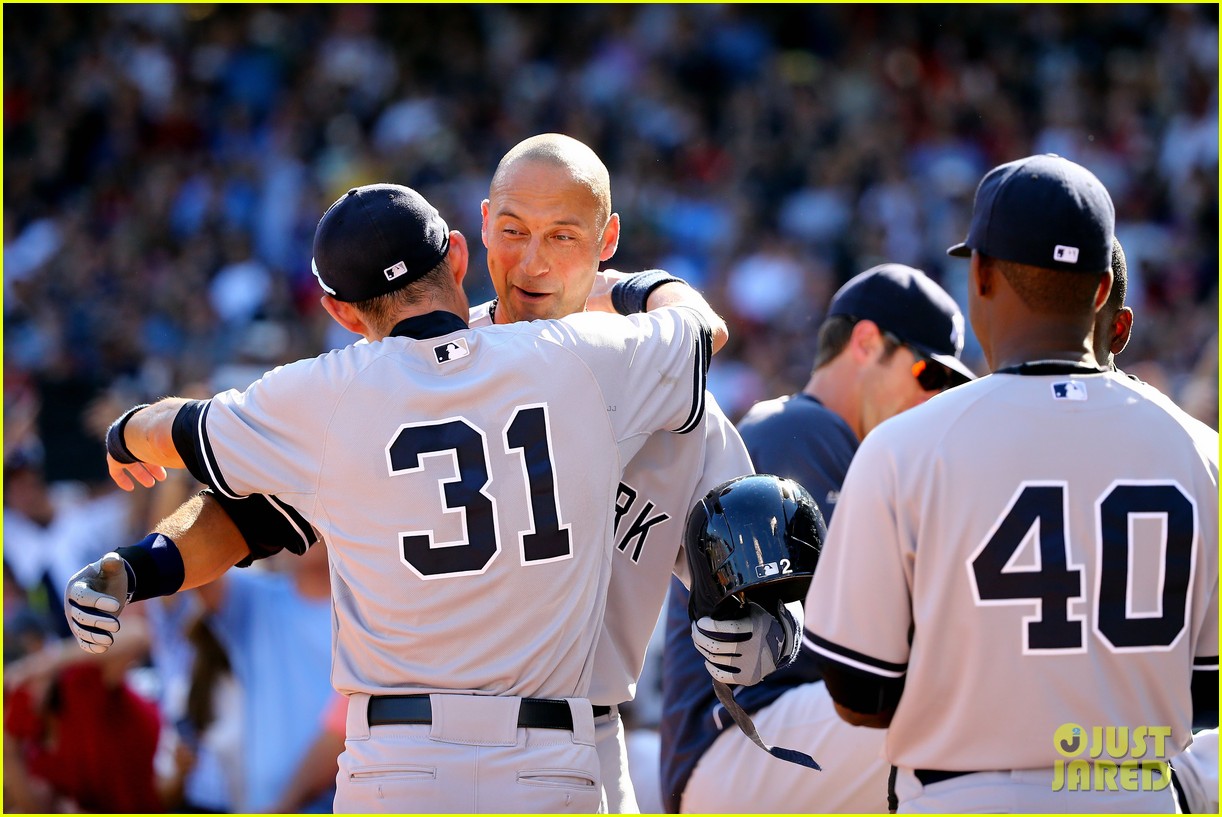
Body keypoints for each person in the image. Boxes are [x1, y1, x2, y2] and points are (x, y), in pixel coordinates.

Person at [65, 181, 727, 813]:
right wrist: (628, 288)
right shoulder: (578, 354)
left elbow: (191, 451)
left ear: (341, 311)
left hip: (400, 761)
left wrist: (128, 446)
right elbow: (700, 328)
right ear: (460, 256)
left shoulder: (323, 400)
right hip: (550, 752)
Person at [805, 154, 1218, 812]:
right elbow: (1209, 689)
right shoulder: (1202, 452)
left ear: (981, 274)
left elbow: (859, 692)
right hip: (1133, 793)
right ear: (1105, 289)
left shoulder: (905, 447)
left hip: (964, 794)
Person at [472, 132, 756, 813]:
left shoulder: (677, 399)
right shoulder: (421, 368)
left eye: (563, 237)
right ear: (483, 222)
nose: (531, 261)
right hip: (419, 741)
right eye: (513, 230)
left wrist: (750, 624)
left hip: (580, 742)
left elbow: (752, 601)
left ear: (607, 240)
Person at [659, 263, 976, 814]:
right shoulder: (802, 433)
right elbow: (882, 635)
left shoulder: (825, 439)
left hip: (776, 734)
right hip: (745, 736)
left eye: (950, 387)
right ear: (866, 341)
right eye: (930, 374)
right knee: (985, 717)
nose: (938, 399)